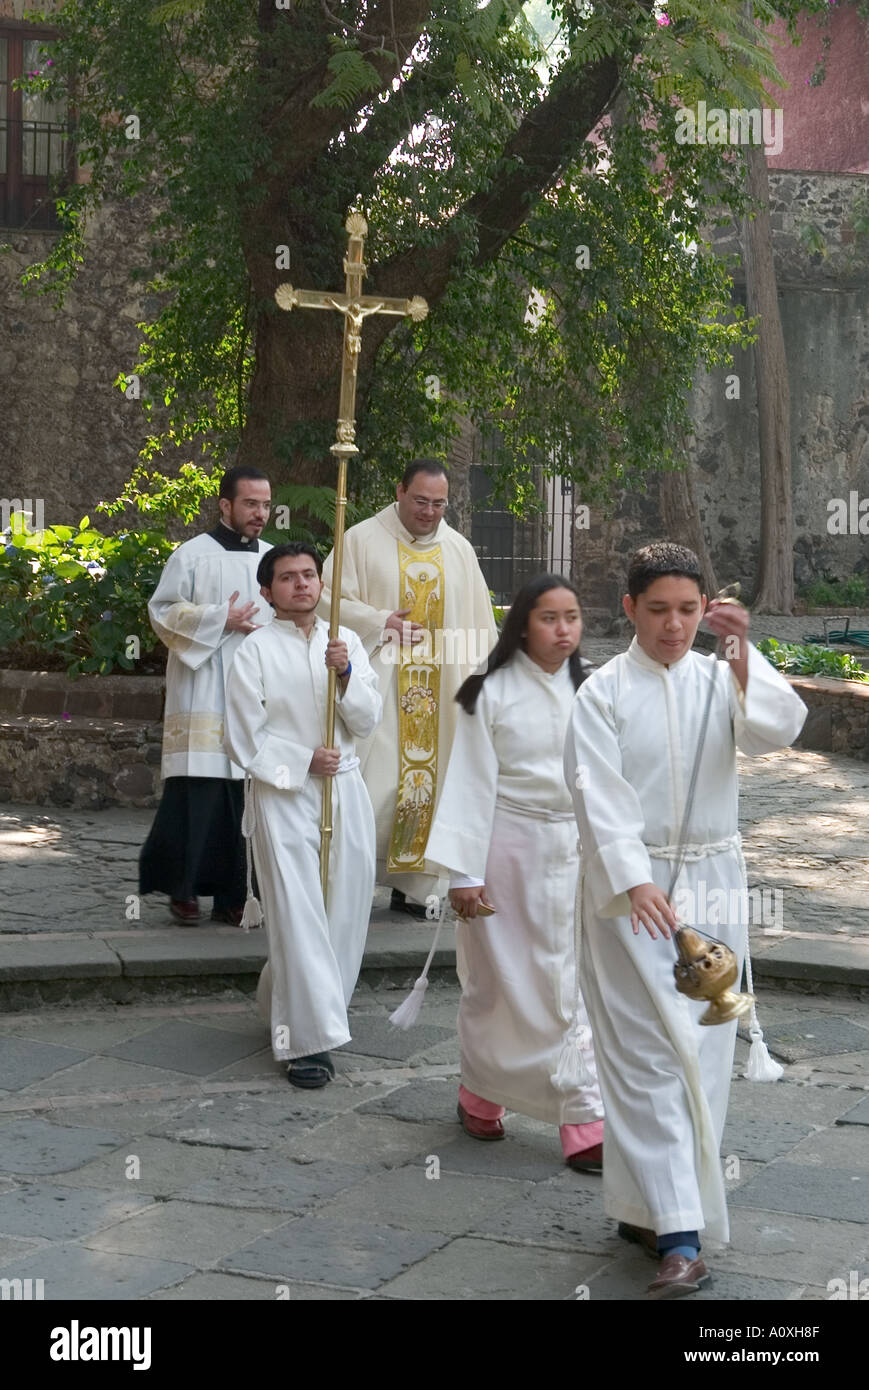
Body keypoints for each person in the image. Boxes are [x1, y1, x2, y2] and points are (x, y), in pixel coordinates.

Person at [564, 542, 807, 1298]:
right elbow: (594, 792)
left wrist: (740, 654)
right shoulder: (600, 693)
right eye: (659, 610)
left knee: (698, 1056)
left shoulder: (715, 677)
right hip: (629, 896)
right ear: (629, 608)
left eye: (689, 611)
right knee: (644, 1057)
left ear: (706, 610)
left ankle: (647, 1209)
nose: (674, 626)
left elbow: (780, 725)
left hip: (711, 884)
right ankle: (678, 1237)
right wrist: (632, 878)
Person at [425, 575, 605, 1171]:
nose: (563, 630)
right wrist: (463, 874)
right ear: (523, 624)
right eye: (549, 618)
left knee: (574, 985)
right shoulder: (489, 691)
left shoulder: (597, 690)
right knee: (501, 980)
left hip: (579, 850)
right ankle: (481, 1089)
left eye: (572, 617)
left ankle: (582, 1113)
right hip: (509, 848)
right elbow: (470, 783)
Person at [224, 543, 382, 1089]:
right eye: (288, 578)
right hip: (284, 792)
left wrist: (345, 676)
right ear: (268, 592)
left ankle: (293, 1000)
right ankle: (307, 1043)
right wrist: (301, 758)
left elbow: (366, 720)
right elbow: (244, 736)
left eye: (310, 575)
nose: (302, 585)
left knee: (344, 908)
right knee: (297, 911)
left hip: (344, 788)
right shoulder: (255, 651)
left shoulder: (348, 642)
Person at [318, 459, 497, 918]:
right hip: (382, 689)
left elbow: (480, 624)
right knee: (378, 786)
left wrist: (486, 682)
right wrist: (381, 622)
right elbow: (324, 600)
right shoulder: (359, 540)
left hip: (444, 694)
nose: (429, 512)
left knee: (432, 788)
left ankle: (417, 888)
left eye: (439, 503)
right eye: (420, 501)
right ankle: (354, 878)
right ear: (399, 491)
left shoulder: (459, 550)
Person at [139, 465, 272, 926]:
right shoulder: (192, 556)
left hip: (256, 693)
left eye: (266, 505)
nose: (260, 513)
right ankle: (184, 890)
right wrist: (220, 619)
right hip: (203, 690)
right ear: (225, 506)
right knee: (199, 792)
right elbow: (163, 611)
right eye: (251, 504)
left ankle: (237, 893)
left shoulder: (275, 560)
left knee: (245, 797)